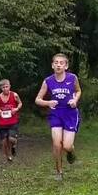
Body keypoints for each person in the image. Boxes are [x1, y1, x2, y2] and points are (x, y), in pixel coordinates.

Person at [35, 53, 81, 181]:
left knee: (66, 146)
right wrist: (48, 103)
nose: (59, 65)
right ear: (52, 65)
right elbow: (38, 99)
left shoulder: (72, 78)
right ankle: (59, 172)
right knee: (56, 144)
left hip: (70, 114)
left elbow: (78, 91)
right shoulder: (48, 81)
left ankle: (71, 152)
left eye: (61, 63)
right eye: (56, 62)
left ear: (66, 66)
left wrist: (75, 100)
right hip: (56, 114)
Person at [0, 80, 22, 162]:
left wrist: (16, 109)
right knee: (4, 142)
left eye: (7, 87)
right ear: (1, 88)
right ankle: (8, 156)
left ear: (9, 86)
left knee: (11, 139)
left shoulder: (14, 95)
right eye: (3, 87)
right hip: (2, 122)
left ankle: (14, 145)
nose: (5, 89)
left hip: (13, 121)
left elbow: (20, 103)